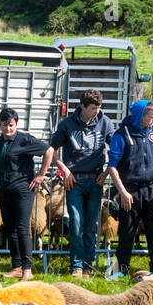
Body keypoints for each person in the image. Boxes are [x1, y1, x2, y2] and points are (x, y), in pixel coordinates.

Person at [33, 89, 116, 277]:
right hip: (74, 181)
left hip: (96, 180)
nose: (97, 111)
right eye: (94, 108)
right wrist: (64, 169)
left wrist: (107, 170)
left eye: (99, 107)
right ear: (83, 106)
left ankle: (89, 264)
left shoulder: (106, 122)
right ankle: (76, 265)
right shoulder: (68, 124)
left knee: (91, 224)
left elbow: (115, 149)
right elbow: (51, 149)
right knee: (76, 223)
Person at [0, 106, 47, 279]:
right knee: (10, 228)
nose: (8, 128)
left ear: (16, 124)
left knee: (22, 227)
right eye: (4, 125)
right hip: (4, 190)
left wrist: (41, 175)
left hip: (24, 191)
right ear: (0, 125)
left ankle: (27, 269)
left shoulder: (25, 140)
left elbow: (49, 150)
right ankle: (16, 266)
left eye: (11, 125)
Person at [105, 99, 153, 280]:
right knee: (127, 230)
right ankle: (121, 268)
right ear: (140, 115)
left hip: (152, 188)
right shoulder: (121, 135)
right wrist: (123, 192)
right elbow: (113, 166)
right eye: (151, 117)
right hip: (129, 189)